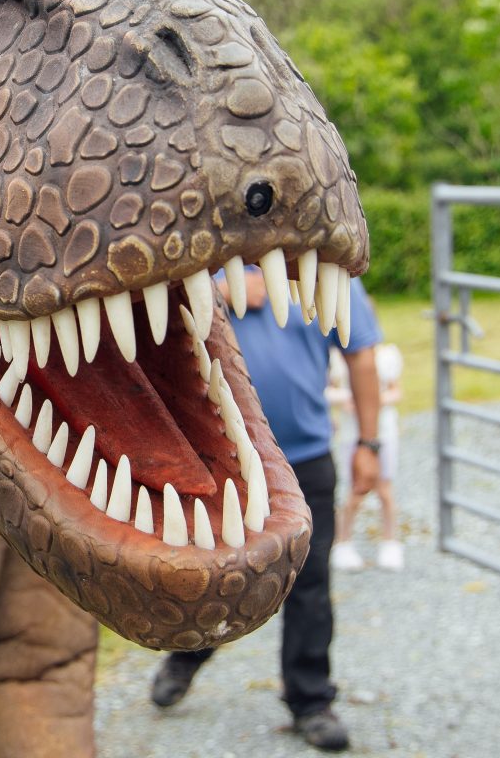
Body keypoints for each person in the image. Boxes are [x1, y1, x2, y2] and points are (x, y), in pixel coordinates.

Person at [150, 267, 382, 753]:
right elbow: (148, 335)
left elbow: (361, 355)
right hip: (222, 457)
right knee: (211, 572)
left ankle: (310, 701)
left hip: (306, 461)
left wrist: (369, 443)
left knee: (309, 585)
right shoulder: (203, 263)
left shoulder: (324, 272)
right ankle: (187, 657)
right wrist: (219, 293)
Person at [329, 343, 405, 571]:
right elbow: (327, 390)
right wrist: (346, 398)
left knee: (385, 489)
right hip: (351, 433)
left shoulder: (387, 356)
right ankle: (343, 542)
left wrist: (372, 400)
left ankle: (390, 541)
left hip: (384, 431)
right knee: (353, 492)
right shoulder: (336, 358)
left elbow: (396, 390)